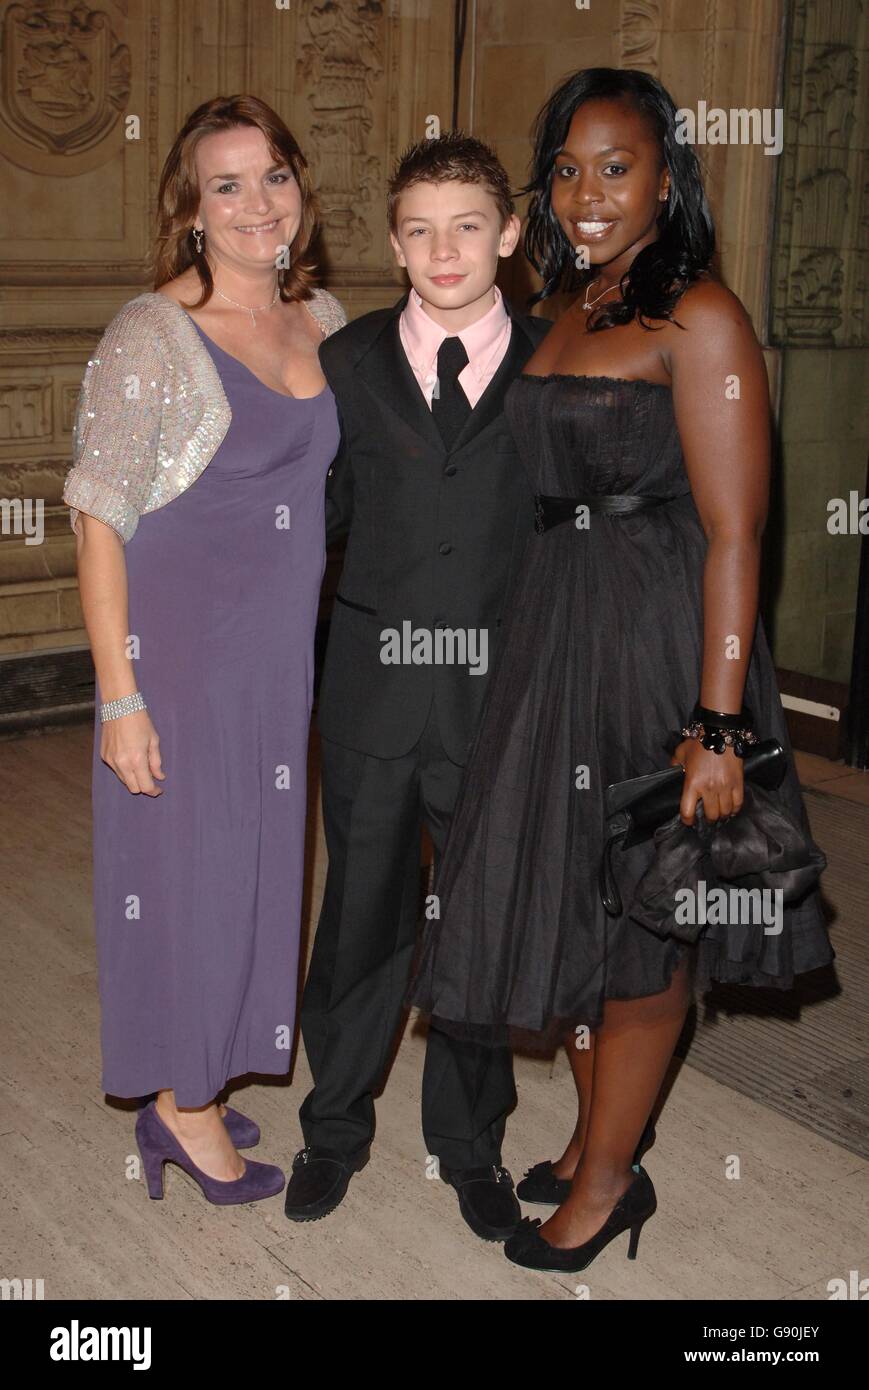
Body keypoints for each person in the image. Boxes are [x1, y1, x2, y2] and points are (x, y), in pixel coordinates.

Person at [408, 69, 834, 1272]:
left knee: (643, 916)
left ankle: (606, 1178)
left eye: (617, 165)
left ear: (666, 173)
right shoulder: (563, 302)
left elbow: (737, 533)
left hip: (653, 639)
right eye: (566, 167)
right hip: (556, 630)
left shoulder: (700, 316)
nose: (588, 192)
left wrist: (718, 723)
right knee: (577, 904)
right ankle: (601, 1129)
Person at [63, 95, 346, 1207]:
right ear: (189, 209)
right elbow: (96, 517)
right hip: (177, 657)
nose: (253, 204)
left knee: (255, 867)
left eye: (270, 175)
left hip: (279, 662)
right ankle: (181, 1114)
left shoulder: (321, 314)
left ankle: (201, 1067)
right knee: (183, 874)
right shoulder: (153, 332)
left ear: (298, 190)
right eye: (224, 185)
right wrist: (118, 697)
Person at [283, 133, 551, 1241]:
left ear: (511, 235)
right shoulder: (340, 365)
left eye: (468, 226)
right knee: (360, 915)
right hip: (372, 698)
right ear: (393, 242)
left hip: (497, 700)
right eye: (420, 229)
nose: (444, 251)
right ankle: (333, 1125)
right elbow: (304, 527)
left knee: (477, 926)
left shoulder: (557, 361)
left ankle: (468, 1143)